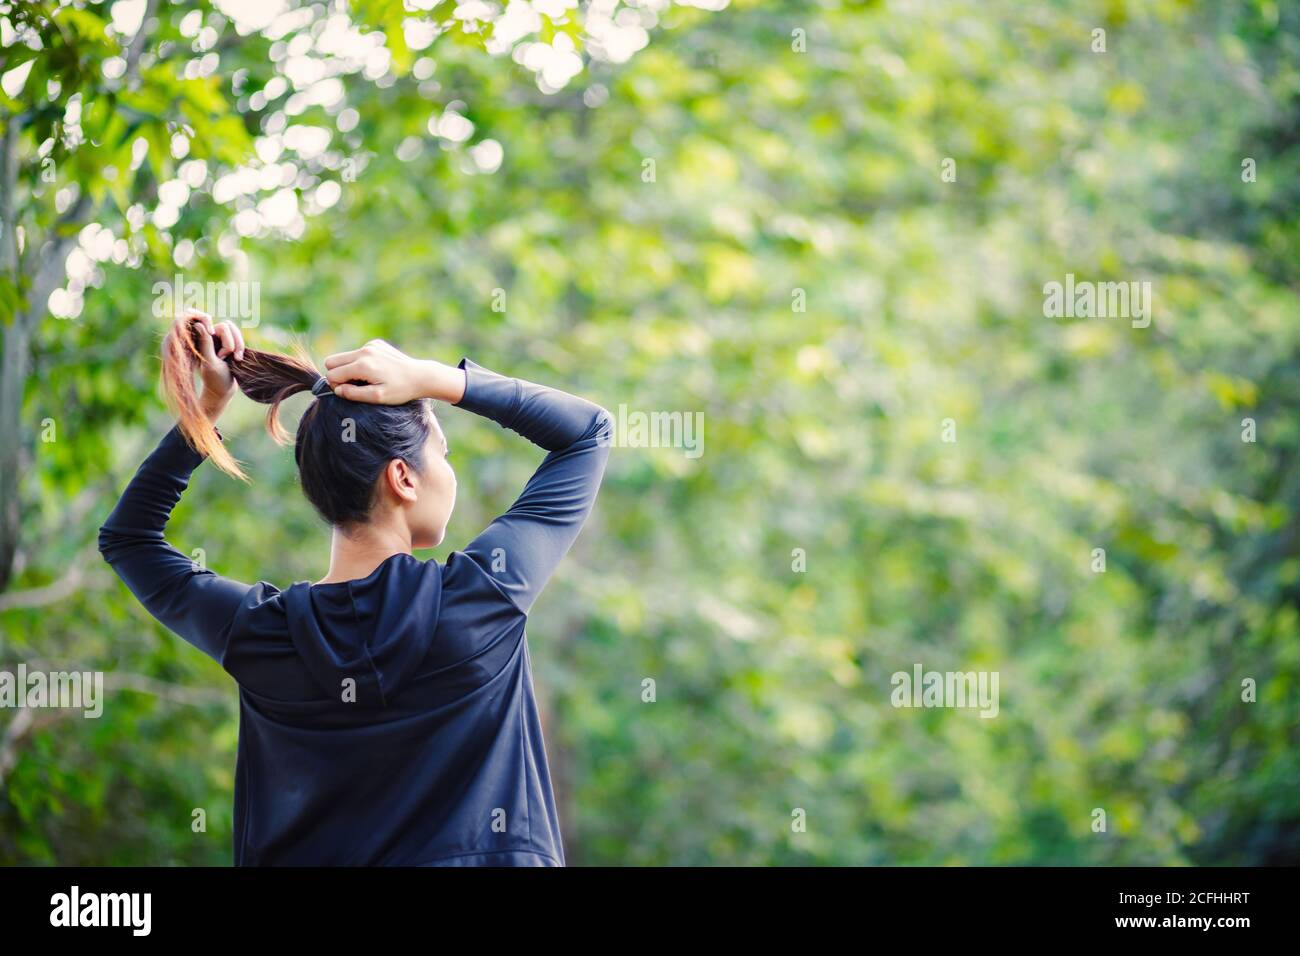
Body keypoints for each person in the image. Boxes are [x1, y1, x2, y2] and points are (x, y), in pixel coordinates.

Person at [98, 311, 612, 865]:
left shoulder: (262, 633)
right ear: (403, 478)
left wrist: (207, 410)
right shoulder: (481, 598)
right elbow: (588, 432)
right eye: (443, 453)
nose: (450, 470)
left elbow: (129, 539)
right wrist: (434, 378)